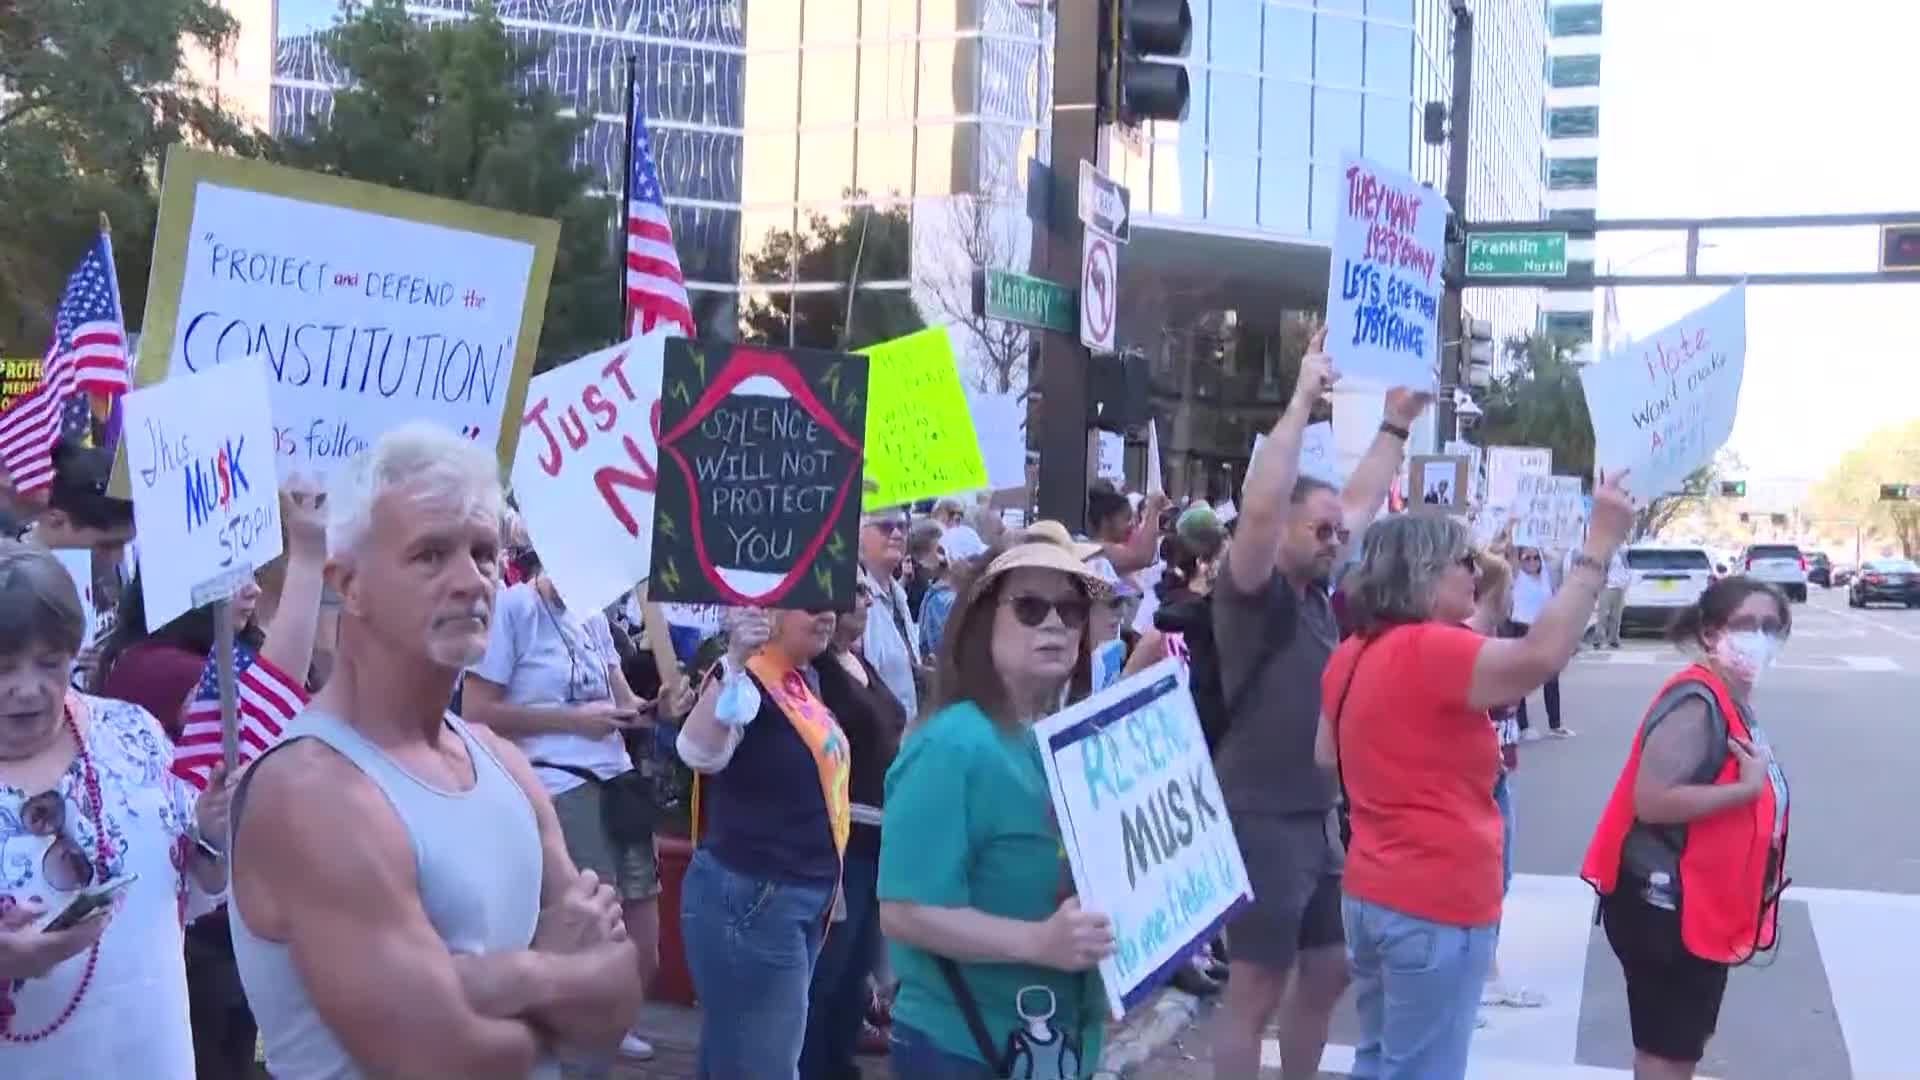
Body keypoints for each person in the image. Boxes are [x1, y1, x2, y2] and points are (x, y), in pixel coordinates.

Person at [227, 423, 644, 1078]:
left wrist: (498, 979)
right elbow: (446, 1061)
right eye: (429, 555)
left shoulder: (499, 761)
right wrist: (558, 973)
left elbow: (620, 996)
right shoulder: (312, 791)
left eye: (483, 553)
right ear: (350, 584)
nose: (470, 580)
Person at [1313, 475, 1630, 1079]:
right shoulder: (1432, 649)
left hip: (1371, 891)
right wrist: (1596, 551)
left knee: (1381, 1057)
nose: (1476, 574)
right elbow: (1539, 657)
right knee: (1422, 1068)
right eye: (1465, 561)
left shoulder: (1351, 651)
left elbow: (1327, 755)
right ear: (1426, 572)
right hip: (1434, 897)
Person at [1208, 327, 1428, 1080]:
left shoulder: (1318, 599)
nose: (1339, 540)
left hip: (1318, 819)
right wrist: (1303, 396)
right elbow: (1264, 504)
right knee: (1254, 988)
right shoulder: (1252, 591)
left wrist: (1396, 423)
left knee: (1329, 968)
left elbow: (1360, 503)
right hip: (1261, 816)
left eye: (1339, 532)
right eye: (1321, 530)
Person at [94, 487, 328, 1080]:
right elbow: (276, 693)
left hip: (214, 916)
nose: (250, 589)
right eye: (233, 575)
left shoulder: (172, 659)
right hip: (195, 929)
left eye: (253, 573)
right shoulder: (166, 671)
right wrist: (306, 558)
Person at [878, 540, 1110, 1078]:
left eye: (1071, 610)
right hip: (965, 1047)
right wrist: (1038, 942)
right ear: (983, 622)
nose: (1055, 623)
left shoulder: (1056, 739)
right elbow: (904, 911)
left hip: (1052, 1044)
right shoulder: (950, 746)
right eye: (1030, 607)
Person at [0, 541, 232, 1077]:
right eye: (3, 666)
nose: (28, 688)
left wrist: (212, 835)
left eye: (49, 662)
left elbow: (191, 889)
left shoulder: (129, 732)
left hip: (144, 1051)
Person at [1580, 577, 1792, 1080]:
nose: (1759, 637)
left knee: (1679, 1045)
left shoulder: (1727, 696)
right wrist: (1743, 792)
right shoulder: (1698, 702)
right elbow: (1653, 801)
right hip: (1666, 908)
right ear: (1710, 633)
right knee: (1668, 1054)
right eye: (1745, 625)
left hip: (1696, 902)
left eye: (1771, 626)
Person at [462, 541, 662, 1068]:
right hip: (557, 784)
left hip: (618, 784)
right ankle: (576, 1051)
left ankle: (604, 1033)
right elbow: (476, 710)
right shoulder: (515, 608)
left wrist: (654, 708)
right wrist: (574, 721)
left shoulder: (593, 616)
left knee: (643, 943)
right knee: (596, 939)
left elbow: (623, 703)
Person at [674, 605, 849, 1079]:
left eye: (831, 600)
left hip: (792, 896)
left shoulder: (802, 677)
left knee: (738, 1058)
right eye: (809, 601)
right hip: (755, 896)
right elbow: (699, 752)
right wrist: (733, 660)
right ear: (769, 610)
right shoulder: (747, 674)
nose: (827, 613)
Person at [801, 580, 907, 1080]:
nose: (866, 599)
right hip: (843, 837)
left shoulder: (858, 663)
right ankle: (812, 1065)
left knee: (857, 965)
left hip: (880, 837)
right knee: (830, 967)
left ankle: (838, 1063)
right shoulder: (815, 672)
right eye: (857, 590)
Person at [860, 509, 923, 721]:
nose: (897, 534)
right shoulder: (854, 600)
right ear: (860, 533)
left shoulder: (899, 595)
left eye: (904, 527)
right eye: (886, 527)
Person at [1508, 546, 1571, 738]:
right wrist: (1512, 525)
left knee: (1551, 677)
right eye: (1527, 558)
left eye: (1536, 558)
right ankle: (1523, 725)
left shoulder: (1545, 577)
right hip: (1520, 629)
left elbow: (1559, 553)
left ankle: (1555, 724)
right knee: (1521, 679)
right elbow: (1511, 551)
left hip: (1544, 629)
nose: (1533, 562)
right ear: (1519, 560)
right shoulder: (1516, 576)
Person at [1597, 545, 1631, 648]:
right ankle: (1598, 640)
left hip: (1620, 588)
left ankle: (1613, 639)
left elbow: (1626, 569)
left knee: (1616, 616)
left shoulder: (1623, 551)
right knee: (1603, 615)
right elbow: (1602, 568)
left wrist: (1626, 583)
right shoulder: (1607, 552)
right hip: (1608, 587)